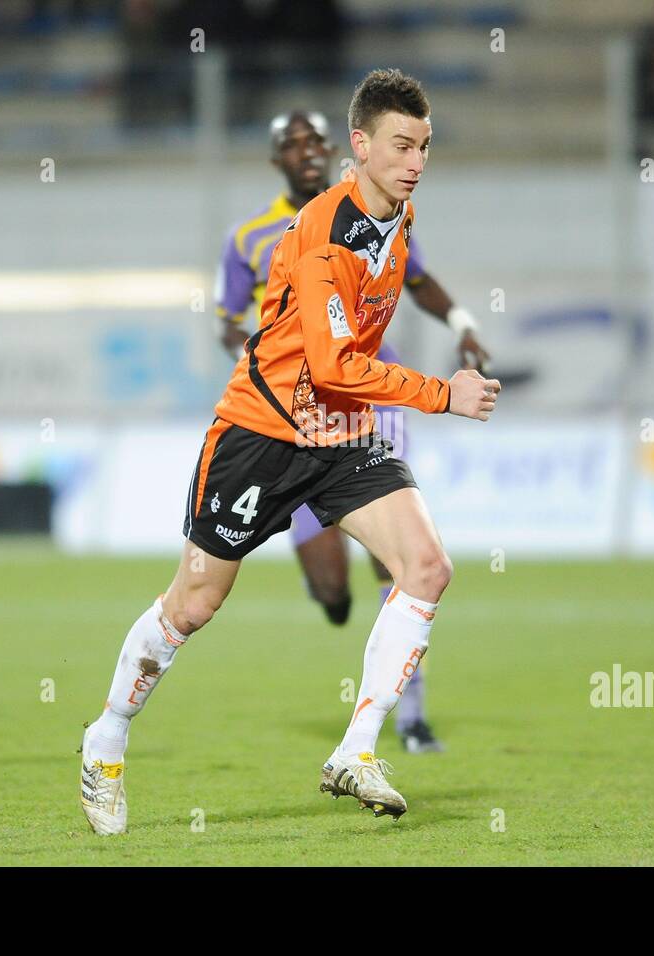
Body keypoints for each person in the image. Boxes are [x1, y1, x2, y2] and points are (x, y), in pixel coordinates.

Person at [80, 68, 500, 833]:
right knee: (194, 605)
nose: (416, 161)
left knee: (427, 566)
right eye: (401, 146)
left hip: (340, 436)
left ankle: (358, 750)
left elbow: (348, 373)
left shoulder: (397, 221)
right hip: (260, 436)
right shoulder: (321, 233)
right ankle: (105, 739)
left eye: (426, 146)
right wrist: (444, 393)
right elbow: (336, 362)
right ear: (361, 147)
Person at [213, 108, 490, 754]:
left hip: (369, 395)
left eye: (317, 141)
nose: (307, 151)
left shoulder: (381, 211)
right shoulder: (250, 237)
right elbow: (228, 319)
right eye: (293, 143)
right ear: (276, 159)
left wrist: (464, 325)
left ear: (340, 147)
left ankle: (410, 716)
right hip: (293, 413)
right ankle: (333, 601)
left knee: (404, 563)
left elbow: (418, 280)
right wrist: (258, 352)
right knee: (332, 591)